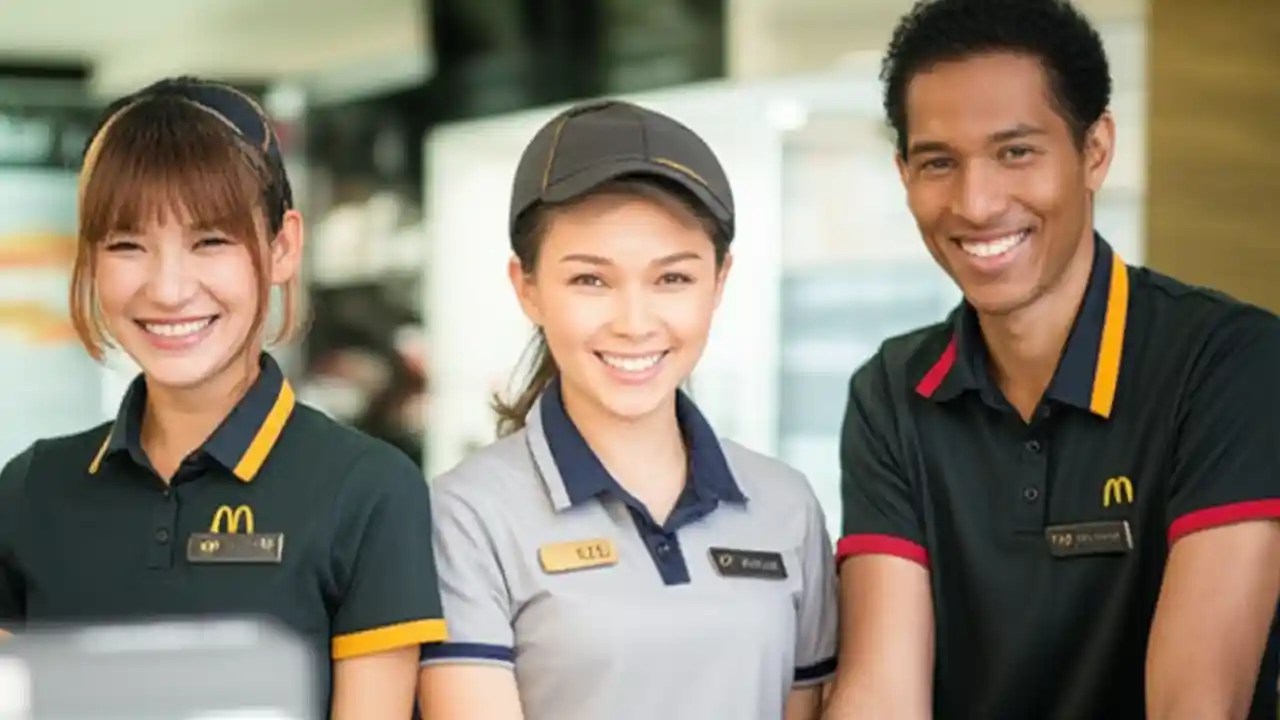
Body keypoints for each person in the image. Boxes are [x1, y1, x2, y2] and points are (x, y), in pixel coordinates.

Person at [822, 1, 1280, 718]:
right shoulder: (892, 392)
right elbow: (881, 692)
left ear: (1094, 151)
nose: (976, 204)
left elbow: (1198, 703)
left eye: (1016, 152)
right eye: (939, 162)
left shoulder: (1229, 364)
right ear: (903, 174)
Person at [0, 76, 447, 718]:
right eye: (128, 245)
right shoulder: (32, 489)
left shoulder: (369, 490)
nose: (169, 288)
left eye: (210, 241)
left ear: (283, 245)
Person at [417, 99, 838, 720]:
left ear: (719, 282)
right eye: (591, 280)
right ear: (526, 287)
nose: (635, 324)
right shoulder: (464, 516)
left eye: (673, 279)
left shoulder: (787, 507)